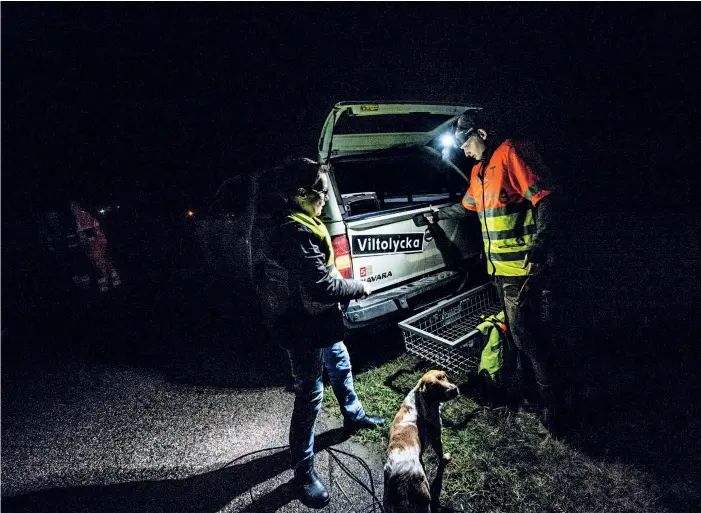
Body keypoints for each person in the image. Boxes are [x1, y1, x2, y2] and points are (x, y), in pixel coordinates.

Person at [414, 110, 559, 429]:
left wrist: (539, 247)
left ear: (481, 133)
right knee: (519, 334)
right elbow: (466, 207)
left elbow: (548, 200)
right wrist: (436, 215)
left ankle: (553, 405)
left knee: (527, 334)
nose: (462, 151)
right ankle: (529, 392)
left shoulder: (511, 153)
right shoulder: (480, 171)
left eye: (464, 142)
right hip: (501, 272)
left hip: (525, 269)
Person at [255, 157, 385, 509]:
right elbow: (319, 286)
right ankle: (303, 471)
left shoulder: (302, 221)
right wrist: (358, 287)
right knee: (310, 394)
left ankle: (353, 415)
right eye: (322, 192)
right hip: (301, 328)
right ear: (301, 194)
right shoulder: (293, 231)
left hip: (319, 322)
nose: (326, 198)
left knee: (340, 362)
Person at [70, 201, 121, 292]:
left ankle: (105, 282)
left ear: (76, 207)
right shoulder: (80, 216)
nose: (72, 210)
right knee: (103, 259)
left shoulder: (82, 215)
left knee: (99, 261)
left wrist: (89, 243)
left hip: (96, 241)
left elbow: (90, 232)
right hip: (97, 240)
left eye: (73, 207)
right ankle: (114, 279)